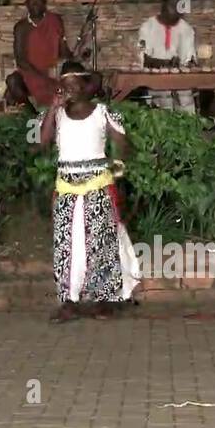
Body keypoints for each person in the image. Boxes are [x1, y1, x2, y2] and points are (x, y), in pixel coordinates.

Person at [37, 61, 141, 323]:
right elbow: (43, 141)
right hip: (66, 188)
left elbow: (124, 145)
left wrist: (117, 167)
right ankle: (69, 301)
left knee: (101, 243)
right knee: (67, 246)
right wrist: (52, 108)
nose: (69, 90)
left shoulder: (103, 113)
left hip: (97, 186)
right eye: (65, 86)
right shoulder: (58, 115)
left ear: (86, 87)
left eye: (74, 85)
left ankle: (103, 300)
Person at [5, 0, 96, 109]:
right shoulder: (21, 27)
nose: (35, 5)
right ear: (26, 4)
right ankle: (32, 115)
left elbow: (63, 50)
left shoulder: (55, 20)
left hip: (54, 71)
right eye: (32, 2)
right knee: (12, 81)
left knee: (94, 78)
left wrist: (76, 58)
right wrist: (42, 78)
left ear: (44, 3)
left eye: (38, 1)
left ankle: (75, 110)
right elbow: (21, 60)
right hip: (31, 74)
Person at [138, 0, 198, 113]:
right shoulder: (147, 27)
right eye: (172, 5)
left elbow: (189, 60)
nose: (176, 10)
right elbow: (144, 58)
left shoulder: (187, 30)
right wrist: (165, 63)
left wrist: (188, 64)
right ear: (163, 6)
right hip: (155, 79)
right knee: (164, 99)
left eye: (180, 7)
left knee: (186, 99)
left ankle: (188, 128)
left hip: (180, 80)